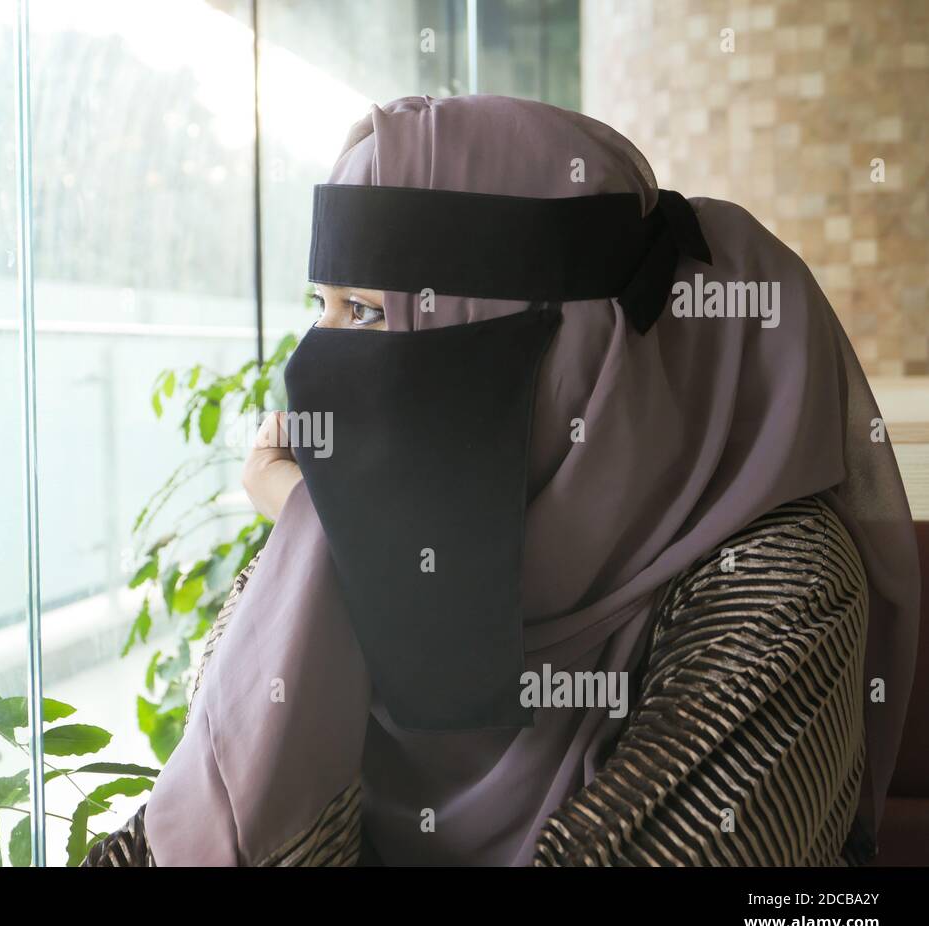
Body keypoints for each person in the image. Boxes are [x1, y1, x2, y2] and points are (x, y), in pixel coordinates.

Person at [88, 94, 920, 867]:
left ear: (570, 353)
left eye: (369, 312)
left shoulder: (782, 589)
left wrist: (328, 538)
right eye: (324, 308)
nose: (317, 362)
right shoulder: (364, 530)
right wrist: (332, 542)